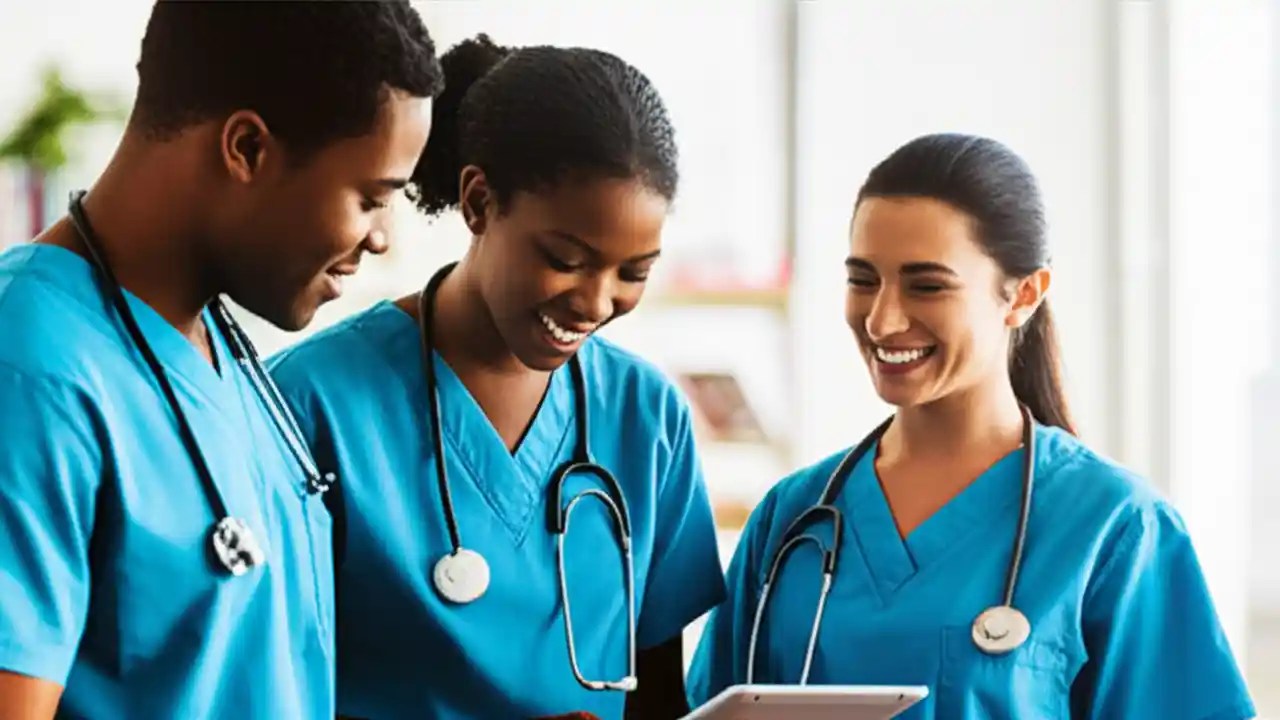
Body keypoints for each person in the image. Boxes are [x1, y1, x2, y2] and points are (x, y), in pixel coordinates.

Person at [685, 133, 1256, 719]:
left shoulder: (1113, 526)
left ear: (1024, 294)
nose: (882, 319)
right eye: (863, 280)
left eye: (926, 286)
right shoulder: (793, 517)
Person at [0, 3, 442, 718]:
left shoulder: (225, 352)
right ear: (247, 149)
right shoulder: (30, 373)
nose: (381, 238)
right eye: (371, 199)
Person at [268, 34, 726, 720]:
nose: (596, 303)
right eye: (566, 260)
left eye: (633, 273)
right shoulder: (309, 404)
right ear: (479, 202)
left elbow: (655, 696)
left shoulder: (646, 417)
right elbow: (262, 689)